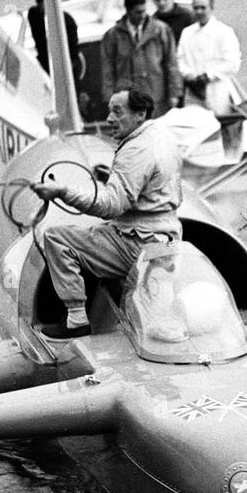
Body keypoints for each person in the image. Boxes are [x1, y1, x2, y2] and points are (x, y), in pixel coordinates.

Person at [31, 89, 182, 339]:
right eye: (110, 110)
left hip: (137, 243)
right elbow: (148, 185)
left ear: (140, 114)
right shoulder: (163, 137)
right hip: (167, 240)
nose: (110, 118)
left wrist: (61, 191)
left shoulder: (135, 150)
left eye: (118, 111)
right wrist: (111, 179)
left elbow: (110, 206)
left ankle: (76, 319)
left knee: (57, 238)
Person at [100, 0, 182, 116]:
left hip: (156, 96)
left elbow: (171, 62)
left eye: (144, 11)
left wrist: (174, 93)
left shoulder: (161, 30)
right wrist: (109, 97)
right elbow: (107, 69)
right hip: (127, 98)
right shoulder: (113, 35)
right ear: (128, 11)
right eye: (138, 12)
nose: (143, 15)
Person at [177, 0, 243, 115]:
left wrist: (208, 76)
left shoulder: (224, 31)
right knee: (193, 127)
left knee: (218, 125)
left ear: (211, 8)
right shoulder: (187, 33)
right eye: (196, 8)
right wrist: (189, 75)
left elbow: (232, 63)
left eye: (203, 8)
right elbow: (180, 60)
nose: (199, 12)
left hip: (217, 91)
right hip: (192, 91)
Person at [27, 0, 82, 78]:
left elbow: (73, 49)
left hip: (63, 64)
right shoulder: (35, 16)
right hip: (48, 63)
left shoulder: (66, 21)